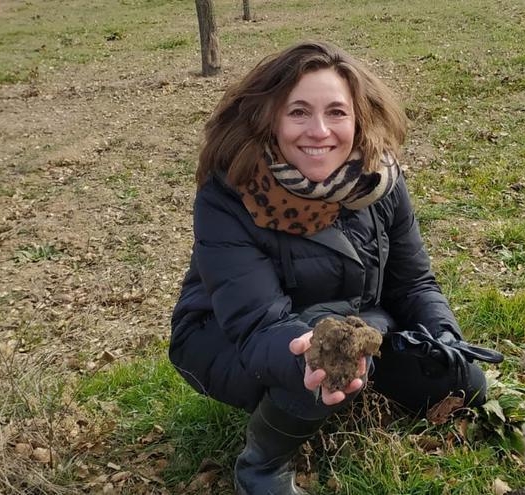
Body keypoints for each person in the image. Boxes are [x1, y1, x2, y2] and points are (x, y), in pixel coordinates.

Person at [168, 41, 503, 495]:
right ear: (269, 117)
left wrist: (443, 336)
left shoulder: (378, 180)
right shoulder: (231, 194)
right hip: (226, 337)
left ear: (359, 117)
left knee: (466, 383)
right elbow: (256, 323)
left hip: (355, 319)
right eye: (299, 112)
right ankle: (262, 467)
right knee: (319, 354)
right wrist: (307, 352)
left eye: (337, 113)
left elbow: (413, 280)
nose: (319, 131)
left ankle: (351, 374)